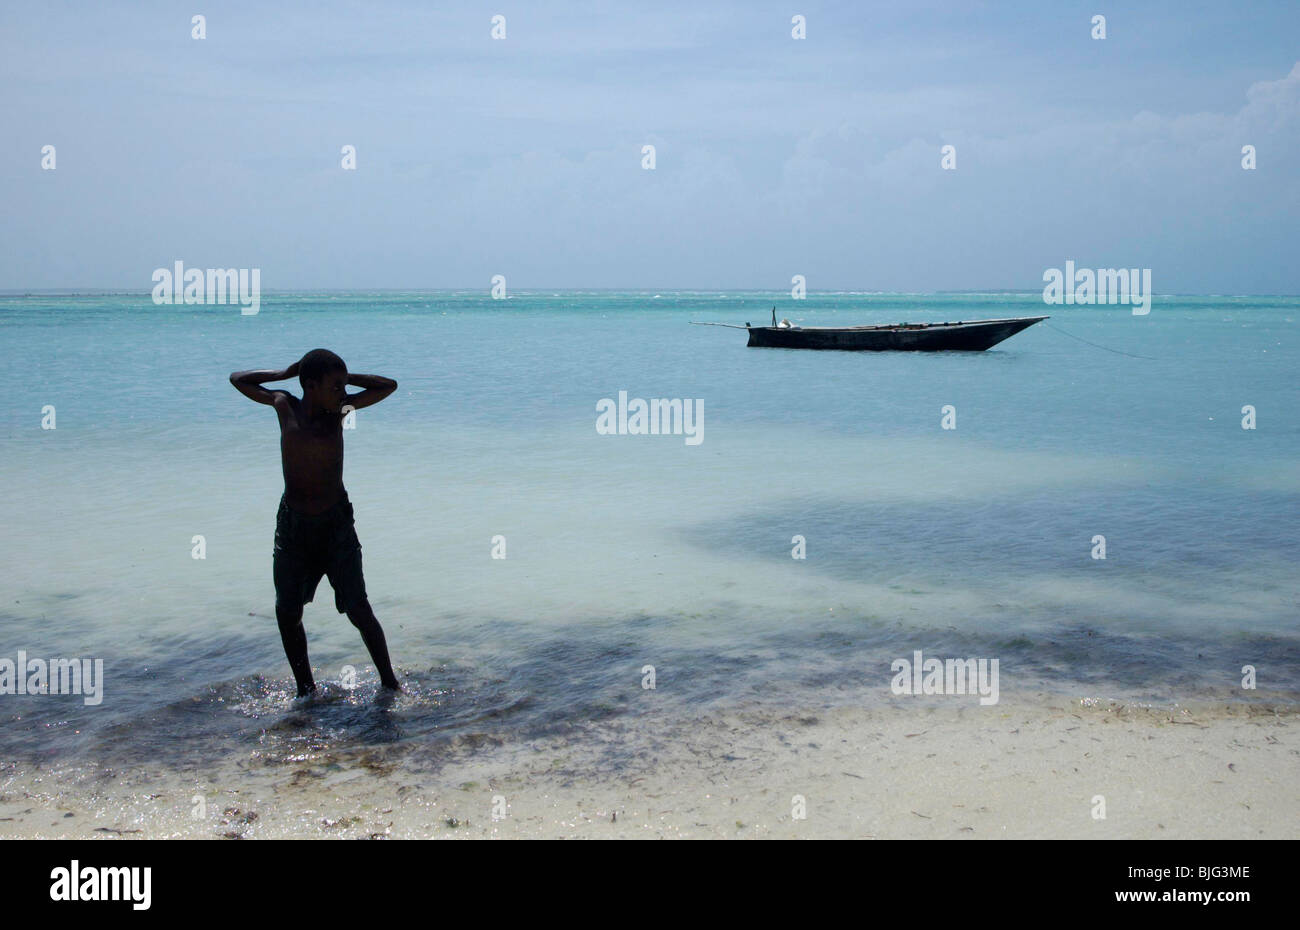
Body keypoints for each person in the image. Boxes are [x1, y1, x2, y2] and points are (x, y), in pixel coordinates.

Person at [229, 349, 401, 696]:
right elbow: (238, 380)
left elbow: (388, 387)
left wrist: (345, 378)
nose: (342, 393)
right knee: (287, 611)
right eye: (334, 385)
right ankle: (305, 691)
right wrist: (284, 372)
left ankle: (390, 684)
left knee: (358, 608)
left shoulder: (338, 412)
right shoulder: (284, 405)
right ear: (309, 385)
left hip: (335, 526)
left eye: (343, 386)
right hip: (293, 529)